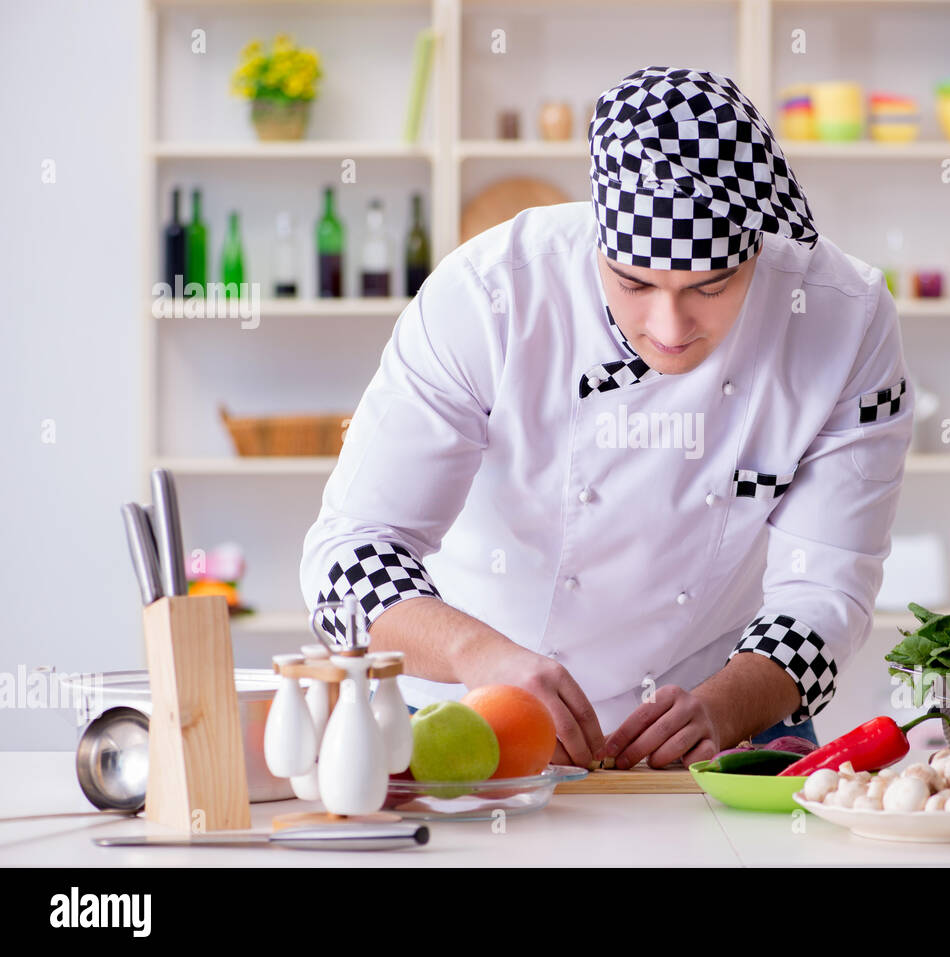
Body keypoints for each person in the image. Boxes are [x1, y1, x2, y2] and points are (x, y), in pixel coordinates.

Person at [299, 66, 913, 771]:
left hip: (722, 720)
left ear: (759, 248)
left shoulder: (843, 317)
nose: (670, 325)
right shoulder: (489, 296)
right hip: (470, 711)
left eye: (710, 287)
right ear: (599, 239)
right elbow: (348, 554)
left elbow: (826, 588)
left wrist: (719, 707)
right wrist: (480, 656)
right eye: (634, 283)